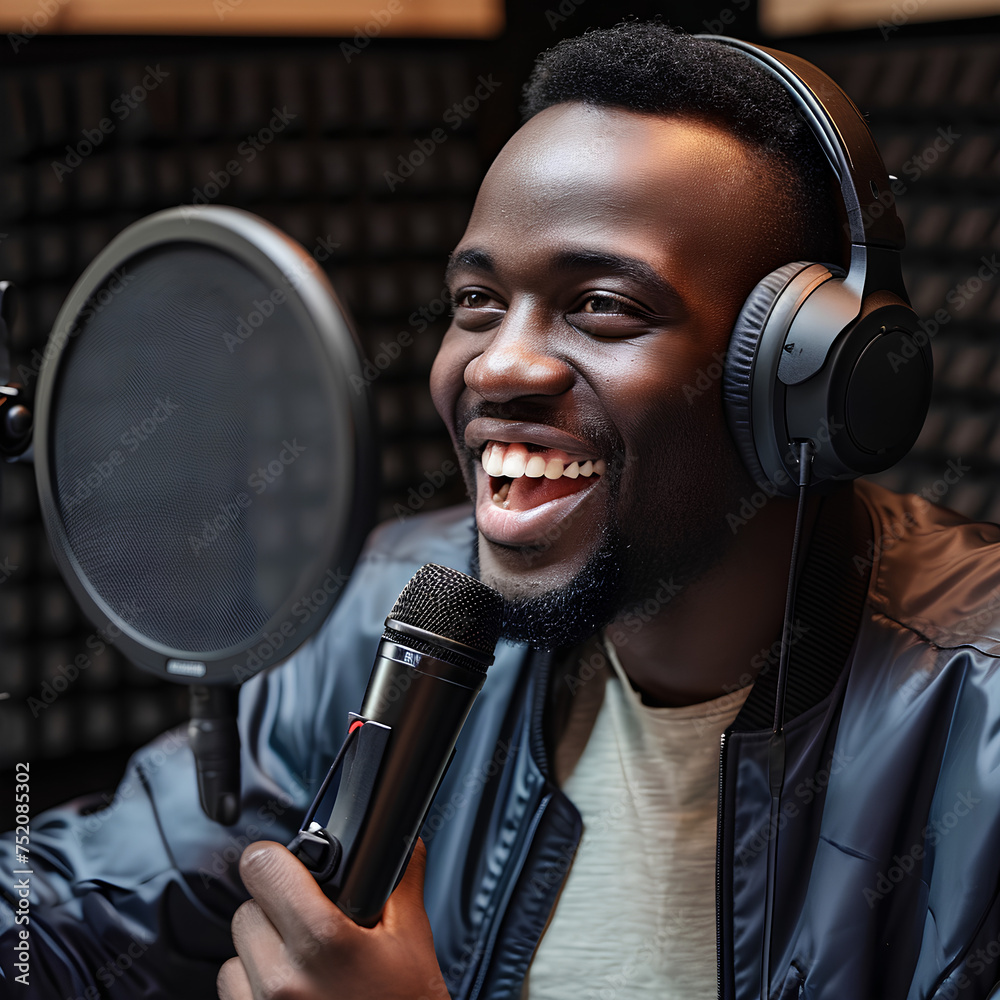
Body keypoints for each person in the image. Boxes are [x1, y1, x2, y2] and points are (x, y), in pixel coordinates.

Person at [4, 22, 1000, 1000]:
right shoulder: (393, 609)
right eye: (477, 300)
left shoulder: (978, 726)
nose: (495, 363)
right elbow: (72, 904)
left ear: (804, 379)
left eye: (603, 305)